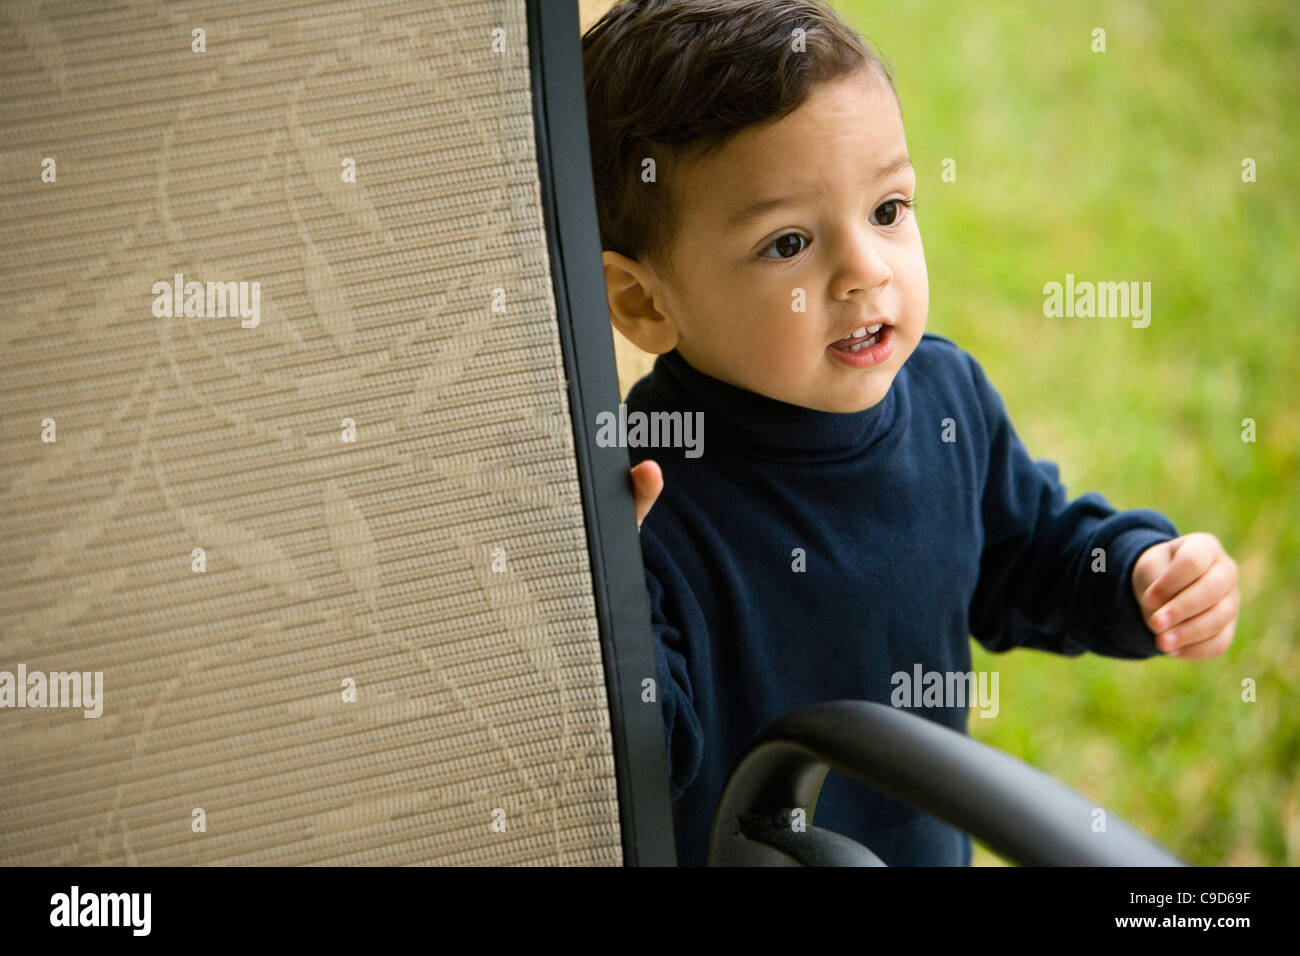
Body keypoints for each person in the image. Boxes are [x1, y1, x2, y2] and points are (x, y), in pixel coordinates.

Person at [583, 0, 1240, 866]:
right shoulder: (644, 496)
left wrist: (1134, 575)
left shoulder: (944, 398)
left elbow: (1024, 552)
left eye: (888, 209)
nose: (865, 269)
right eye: (788, 242)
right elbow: (638, 765)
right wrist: (604, 607)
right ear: (643, 302)